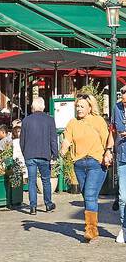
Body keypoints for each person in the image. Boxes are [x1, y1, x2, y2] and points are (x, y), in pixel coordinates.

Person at [62, 93, 111, 242]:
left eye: (82, 106)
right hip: (79, 164)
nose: (79, 109)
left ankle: (90, 230)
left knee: (89, 195)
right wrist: (63, 149)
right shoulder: (72, 123)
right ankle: (92, 225)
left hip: (96, 163)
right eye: (77, 106)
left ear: (90, 107)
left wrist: (108, 153)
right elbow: (67, 139)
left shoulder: (98, 121)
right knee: (87, 196)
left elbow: (107, 139)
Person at [19, 96, 58, 215]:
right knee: (46, 180)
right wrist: (54, 154)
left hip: (30, 154)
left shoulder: (26, 120)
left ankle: (33, 206)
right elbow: (53, 139)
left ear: (32, 107)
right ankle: (48, 203)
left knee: (31, 181)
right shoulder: (49, 120)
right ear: (43, 106)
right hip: (44, 154)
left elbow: (22, 140)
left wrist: (25, 153)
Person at [107, 83, 126, 244]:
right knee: (123, 197)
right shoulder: (117, 109)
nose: (123, 100)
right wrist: (108, 150)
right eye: (122, 96)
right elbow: (112, 131)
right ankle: (124, 227)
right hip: (122, 156)